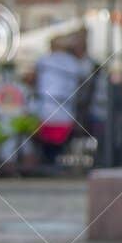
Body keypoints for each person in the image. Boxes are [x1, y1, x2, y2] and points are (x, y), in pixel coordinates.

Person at [31, 31, 90, 168]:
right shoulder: (74, 63)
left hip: (46, 109)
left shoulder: (44, 60)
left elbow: (33, 78)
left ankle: (48, 161)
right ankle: (53, 161)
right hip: (65, 110)